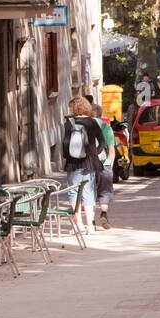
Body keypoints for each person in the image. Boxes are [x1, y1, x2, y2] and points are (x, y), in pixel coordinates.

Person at [61, 97, 107, 236]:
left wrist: (67, 156)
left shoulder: (70, 123)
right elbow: (102, 142)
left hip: (73, 164)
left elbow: (65, 143)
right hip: (89, 163)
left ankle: (78, 225)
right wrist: (94, 153)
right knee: (88, 193)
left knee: (74, 193)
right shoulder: (92, 122)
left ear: (74, 108)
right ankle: (90, 226)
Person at [84, 95, 118, 230]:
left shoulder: (85, 127)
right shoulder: (107, 128)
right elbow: (111, 150)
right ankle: (103, 213)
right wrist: (109, 165)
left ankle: (90, 220)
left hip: (89, 164)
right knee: (104, 191)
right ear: (100, 114)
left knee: (89, 191)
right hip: (104, 163)